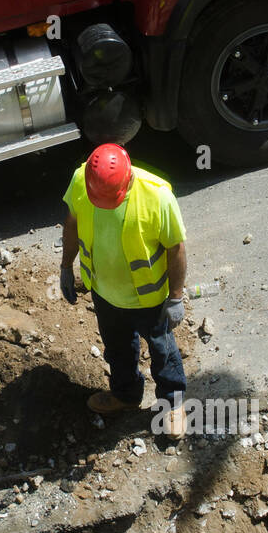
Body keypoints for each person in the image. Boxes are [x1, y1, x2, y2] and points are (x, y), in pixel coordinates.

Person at [60, 143, 188, 438]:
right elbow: (72, 224)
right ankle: (126, 395)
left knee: (162, 351)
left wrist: (176, 297)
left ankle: (173, 404)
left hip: (149, 299)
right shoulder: (82, 181)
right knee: (117, 349)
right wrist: (66, 266)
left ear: (127, 179)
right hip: (104, 293)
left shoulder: (157, 196)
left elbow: (176, 247)